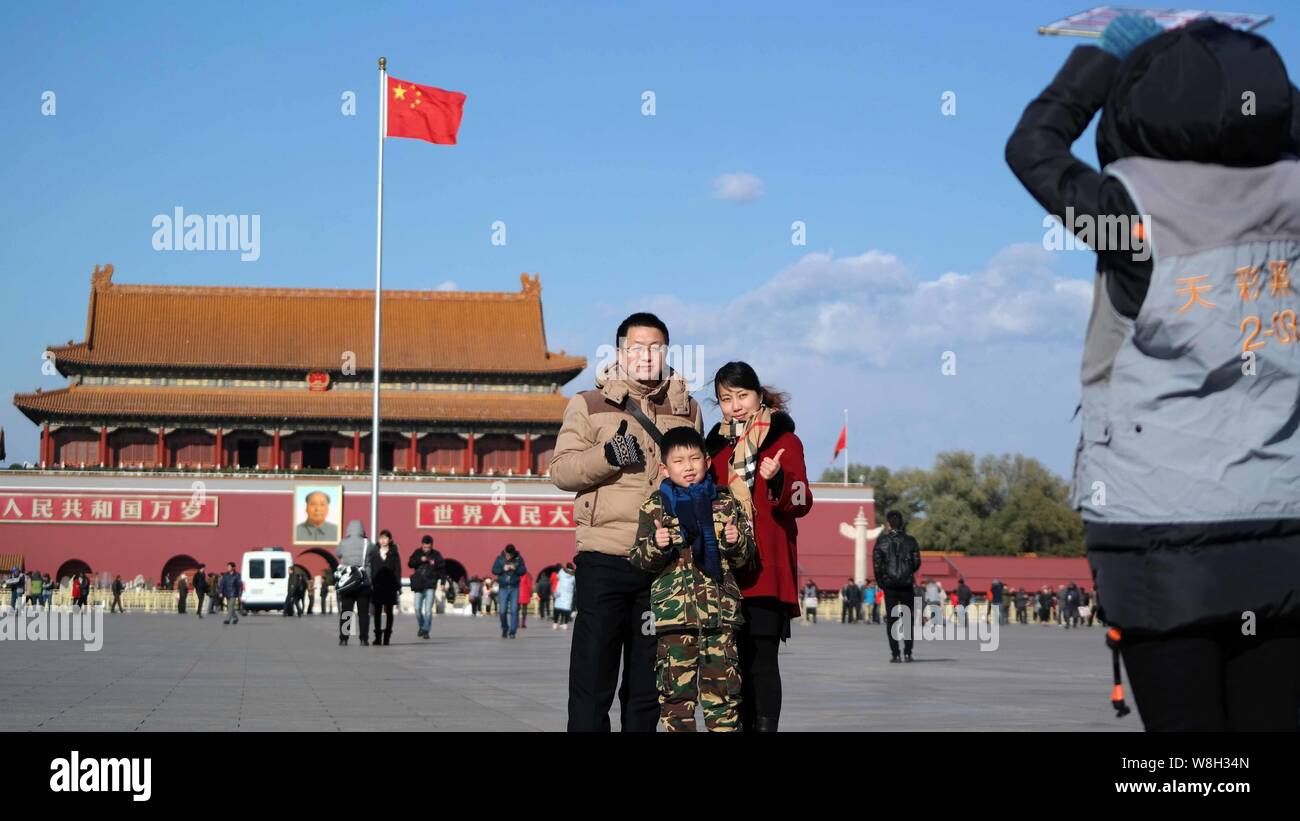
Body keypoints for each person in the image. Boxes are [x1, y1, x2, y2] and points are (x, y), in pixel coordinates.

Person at [1008, 14, 1300, 730]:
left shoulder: (1125, 221)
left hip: (1157, 537)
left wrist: (1110, 54)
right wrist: (1240, 68)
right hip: (1282, 525)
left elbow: (1033, 147)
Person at [550, 312, 703, 732]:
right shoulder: (587, 404)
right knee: (592, 673)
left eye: (655, 347)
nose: (646, 355)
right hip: (606, 556)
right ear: (620, 351)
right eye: (637, 347)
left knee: (647, 683)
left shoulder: (686, 408)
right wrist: (607, 456)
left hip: (664, 560)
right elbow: (561, 471)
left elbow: (698, 478)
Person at [629, 425, 755, 731]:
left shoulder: (726, 503)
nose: (688, 466)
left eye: (695, 458)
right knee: (675, 703)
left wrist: (735, 539)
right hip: (675, 621)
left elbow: (745, 557)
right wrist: (656, 546)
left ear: (708, 462)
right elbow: (638, 559)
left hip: (720, 619)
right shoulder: (655, 506)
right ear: (664, 467)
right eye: (679, 460)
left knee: (724, 702)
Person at [874, 511, 922, 663]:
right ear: (901, 524)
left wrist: (882, 582)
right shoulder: (911, 541)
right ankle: (908, 653)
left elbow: (877, 566)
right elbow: (916, 562)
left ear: (888, 524)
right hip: (906, 585)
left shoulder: (881, 542)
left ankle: (895, 654)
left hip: (890, 586)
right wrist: (907, 573)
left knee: (892, 620)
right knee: (908, 619)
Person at [336, 520, 372, 646]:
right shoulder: (367, 543)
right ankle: (363, 639)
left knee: (347, 611)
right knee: (363, 613)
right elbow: (372, 554)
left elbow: (338, 554)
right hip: (363, 581)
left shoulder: (343, 542)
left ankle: (344, 638)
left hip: (348, 582)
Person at [368, 529, 401, 646]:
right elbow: (371, 569)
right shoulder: (374, 553)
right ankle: (377, 637)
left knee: (389, 612)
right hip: (377, 587)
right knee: (377, 612)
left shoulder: (394, 554)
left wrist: (398, 585)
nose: (383, 540)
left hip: (390, 587)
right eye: (381, 537)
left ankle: (387, 636)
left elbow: (398, 570)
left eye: (385, 538)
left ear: (390, 540)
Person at [408, 535, 444, 639]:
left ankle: (426, 630)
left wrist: (442, 582)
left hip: (430, 586)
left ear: (432, 546)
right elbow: (410, 564)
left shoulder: (436, 555)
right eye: (425, 547)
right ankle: (422, 626)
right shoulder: (417, 553)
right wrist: (420, 559)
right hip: (419, 586)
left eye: (428, 547)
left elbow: (442, 569)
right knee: (417, 608)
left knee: (428, 610)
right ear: (422, 545)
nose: (427, 549)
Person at [492, 545, 528, 639]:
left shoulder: (519, 559)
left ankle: (512, 631)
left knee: (514, 609)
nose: (509, 556)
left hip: (514, 588)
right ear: (505, 552)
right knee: (502, 611)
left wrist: (515, 568)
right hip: (503, 587)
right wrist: (502, 569)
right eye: (507, 554)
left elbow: (523, 571)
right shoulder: (500, 559)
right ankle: (505, 628)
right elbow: (494, 570)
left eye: (510, 555)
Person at [553, 563, 576, 629]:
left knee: (557, 608)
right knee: (566, 609)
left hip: (560, 592)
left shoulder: (561, 571)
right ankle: (565, 624)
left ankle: (555, 623)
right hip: (568, 594)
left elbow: (557, 577)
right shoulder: (573, 575)